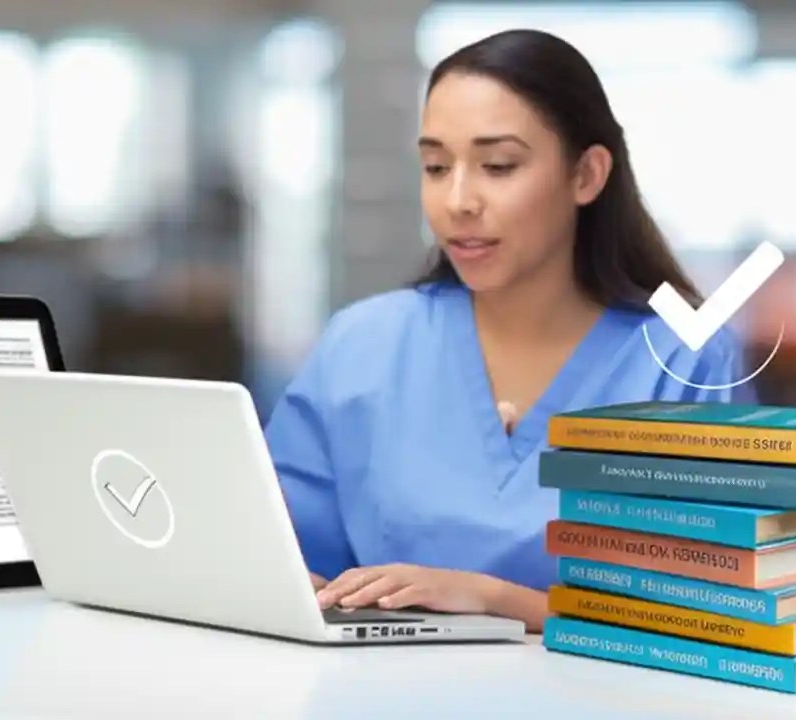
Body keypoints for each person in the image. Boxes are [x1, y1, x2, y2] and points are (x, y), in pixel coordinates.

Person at [262, 29, 758, 633]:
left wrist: (500, 602)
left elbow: (718, 617)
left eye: (499, 166)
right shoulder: (362, 345)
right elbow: (280, 553)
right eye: (436, 166)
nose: (458, 200)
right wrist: (292, 589)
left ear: (586, 175)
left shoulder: (686, 361)